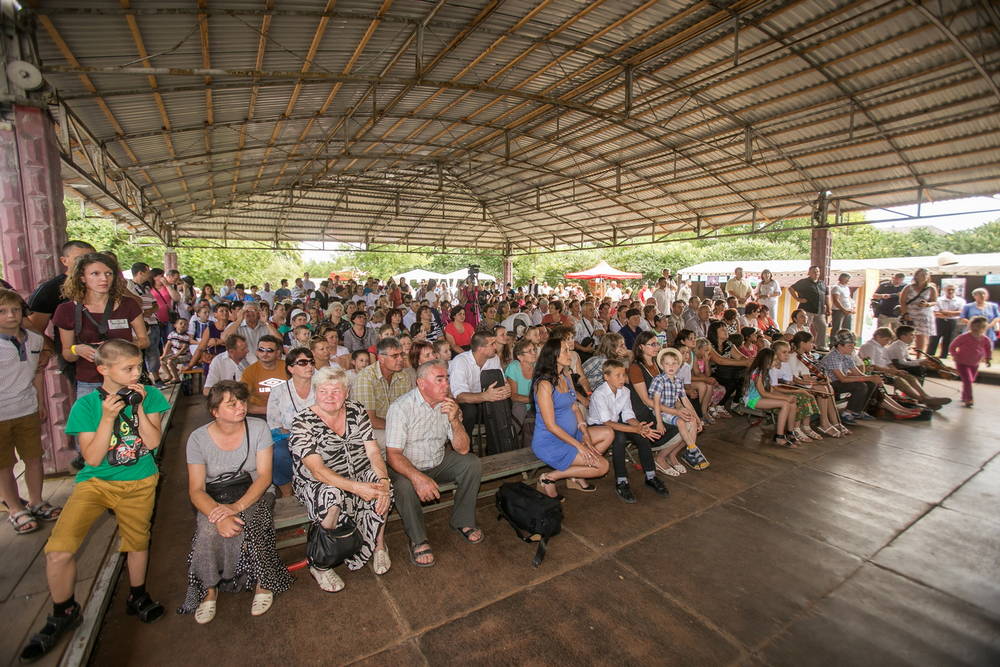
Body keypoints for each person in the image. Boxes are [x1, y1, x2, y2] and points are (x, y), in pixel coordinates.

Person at [20, 341, 168, 662]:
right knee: (58, 552)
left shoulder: (150, 396)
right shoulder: (85, 407)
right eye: (128, 369)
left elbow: (154, 442)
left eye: (138, 367)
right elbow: (93, 456)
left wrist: (139, 407)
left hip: (139, 480)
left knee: (136, 542)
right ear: (103, 370)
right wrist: (106, 417)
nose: (137, 373)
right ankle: (64, 610)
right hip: (96, 483)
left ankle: (137, 595)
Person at [180, 381, 292, 622]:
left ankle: (265, 582)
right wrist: (219, 514)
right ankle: (209, 590)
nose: (241, 407)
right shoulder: (198, 439)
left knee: (254, 521)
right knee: (207, 531)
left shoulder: (258, 428)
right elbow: (196, 490)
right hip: (216, 496)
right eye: (232, 404)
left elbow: (264, 476)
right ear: (215, 411)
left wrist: (237, 507)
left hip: (254, 490)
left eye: (242, 402)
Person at [290, 366, 392, 591]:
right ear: (315, 392)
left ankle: (379, 546)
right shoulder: (302, 422)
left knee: (382, 483)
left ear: (346, 392)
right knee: (331, 494)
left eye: (336, 391)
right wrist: (356, 488)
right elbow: (317, 471)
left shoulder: (357, 411)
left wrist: (382, 482)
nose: (330, 397)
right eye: (323, 391)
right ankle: (321, 563)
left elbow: (373, 452)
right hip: (317, 481)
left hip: (356, 473)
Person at [387, 363, 484, 570]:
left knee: (472, 464)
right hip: (407, 465)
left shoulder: (448, 405)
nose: (446, 384)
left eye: (447, 379)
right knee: (403, 486)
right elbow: (393, 455)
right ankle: (418, 539)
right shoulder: (401, 407)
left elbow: (463, 449)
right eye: (439, 379)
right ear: (421, 384)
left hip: (437, 462)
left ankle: (462, 520)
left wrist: (455, 420)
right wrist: (418, 478)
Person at [0, 289, 59, 535]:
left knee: (34, 457)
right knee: (4, 464)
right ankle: (15, 507)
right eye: (2, 311)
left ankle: (36, 500)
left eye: (15, 310)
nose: (10, 316)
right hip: (1, 412)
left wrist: (41, 403)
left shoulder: (34, 341)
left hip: (27, 407)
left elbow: (37, 373)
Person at [53, 253, 149, 398]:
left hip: (127, 380)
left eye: (108, 273)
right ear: (82, 277)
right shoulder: (67, 310)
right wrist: (77, 349)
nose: (104, 279)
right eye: (95, 274)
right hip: (90, 382)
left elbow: (144, 340)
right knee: (94, 420)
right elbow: (67, 353)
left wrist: (116, 347)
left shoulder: (128, 305)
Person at [531, 339, 614, 497]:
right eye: (565, 351)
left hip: (572, 435)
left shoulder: (565, 377)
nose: (570, 354)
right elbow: (551, 426)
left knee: (608, 433)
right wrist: (580, 446)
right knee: (603, 467)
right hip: (551, 442)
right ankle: (549, 478)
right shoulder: (544, 385)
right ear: (553, 356)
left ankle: (575, 475)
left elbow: (575, 407)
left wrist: (584, 431)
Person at [589, 358, 668, 503]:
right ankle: (621, 480)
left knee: (642, 436)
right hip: (597, 427)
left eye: (624, 375)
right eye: (617, 375)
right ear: (606, 377)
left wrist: (639, 427)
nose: (623, 378)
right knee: (619, 438)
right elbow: (607, 422)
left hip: (615, 424)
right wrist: (635, 429)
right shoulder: (599, 394)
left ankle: (651, 476)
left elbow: (627, 415)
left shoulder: (624, 391)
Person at [451, 331, 513, 455]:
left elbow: (502, 382)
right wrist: (484, 396)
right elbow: (459, 396)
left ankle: (498, 447)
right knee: (469, 411)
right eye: (492, 344)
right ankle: (466, 451)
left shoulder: (494, 359)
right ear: (480, 348)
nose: (496, 347)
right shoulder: (460, 361)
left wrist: (506, 389)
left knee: (505, 402)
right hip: (467, 403)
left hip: (487, 403)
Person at [650, 347, 709, 471]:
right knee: (681, 422)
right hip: (660, 411)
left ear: (679, 365)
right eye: (667, 363)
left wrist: (697, 418)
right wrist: (659, 422)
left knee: (691, 420)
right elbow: (655, 403)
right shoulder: (659, 380)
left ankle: (689, 451)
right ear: (662, 365)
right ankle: (693, 449)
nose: (671, 366)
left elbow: (685, 400)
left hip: (671, 411)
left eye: (674, 363)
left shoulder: (678, 381)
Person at [266, 347, 316, 495]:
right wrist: (296, 434)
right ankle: (287, 491)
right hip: (288, 436)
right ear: (290, 368)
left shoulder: (321, 386)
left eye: (311, 362)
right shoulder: (279, 391)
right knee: (279, 453)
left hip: (319, 433)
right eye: (302, 362)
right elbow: (274, 423)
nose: (309, 366)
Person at [350, 337, 416, 447]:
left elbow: (410, 409)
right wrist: (400, 427)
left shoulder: (404, 375)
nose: (400, 359)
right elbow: (369, 420)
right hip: (368, 429)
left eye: (401, 354)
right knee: (402, 441)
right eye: (395, 356)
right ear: (381, 358)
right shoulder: (365, 378)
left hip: (396, 425)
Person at [818, 332, 881, 424]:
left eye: (853, 345)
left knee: (871, 383)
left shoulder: (847, 355)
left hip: (839, 381)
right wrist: (869, 378)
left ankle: (857, 411)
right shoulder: (833, 357)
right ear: (840, 346)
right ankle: (847, 413)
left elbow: (858, 374)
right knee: (860, 386)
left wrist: (873, 378)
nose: (853, 348)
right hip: (829, 383)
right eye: (850, 346)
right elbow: (842, 379)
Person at [742, 348, 798, 447]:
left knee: (792, 403)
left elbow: (771, 390)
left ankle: (790, 432)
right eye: (775, 359)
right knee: (785, 404)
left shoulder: (766, 371)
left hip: (761, 398)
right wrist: (785, 399)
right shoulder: (757, 373)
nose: (776, 362)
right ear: (767, 361)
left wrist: (786, 396)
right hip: (753, 400)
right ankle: (779, 437)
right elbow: (763, 393)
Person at [240, 335, 288, 417]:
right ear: (257, 352)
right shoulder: (249, 371)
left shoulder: (289, 368)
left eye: (270, 350)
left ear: (278, 353)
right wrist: (271, 410)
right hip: (260, 414)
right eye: (261, 350)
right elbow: (242, 400)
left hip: (287, 412)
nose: (265, 353)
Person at [950, 316, 992, 408]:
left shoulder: (985, 339)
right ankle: (969, 399)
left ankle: (964, 395)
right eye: (973, 326)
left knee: (970, 380)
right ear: (970, 326)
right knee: (968, 380)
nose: (975, 329)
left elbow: (988, 349)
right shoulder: (964, 337)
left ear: (983, 328)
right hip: (961, 362)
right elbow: (953, 346)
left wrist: (988, 359)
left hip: (974, 363)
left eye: (978, 327)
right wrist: (955, 355)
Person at [706, 321, 750, 407]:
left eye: (726, 329)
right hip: (712, 373)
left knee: (742, 376)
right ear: (714, 333)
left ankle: (736, 403)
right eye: (722, 329)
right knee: (732, 380)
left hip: (726, 372)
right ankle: (720, 405)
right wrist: (745, 362)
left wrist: (749, 361)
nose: (726, 331)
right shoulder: (709, 344)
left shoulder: (729, 344)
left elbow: (741, 357)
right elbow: (720, 360)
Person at [788, 265, 831, 349]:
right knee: (805, 328)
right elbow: (791, 289)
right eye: (814, 271)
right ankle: (803, 346)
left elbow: (827, 296)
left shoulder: (822, 283)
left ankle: (820, 346)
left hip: (820, 310)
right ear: (809, 273)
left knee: (822, 327)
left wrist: (829, 307)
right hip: (807, 310)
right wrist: (797, 299)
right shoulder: (804, 282)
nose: (816, 273)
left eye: (817, 271)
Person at [898, 268, 937, 352]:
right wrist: (905, 313)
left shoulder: (931, 288)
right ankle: (902, 354)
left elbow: (934, 301)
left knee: (921, 337)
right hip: (910, 314)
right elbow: (902, 301)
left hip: (923, 315)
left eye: (925, 275)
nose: (923, 277)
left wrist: (927, 304)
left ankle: (919, 357)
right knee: (906, 335)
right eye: (921, 275)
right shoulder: (909, 287)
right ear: (916, 276)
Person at [928, 283, 965, 359]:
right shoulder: (938, 300)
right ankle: (929, 356)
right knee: (934, 340)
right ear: (944, 290)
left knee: (948, 340)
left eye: (953, 290)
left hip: (952, 322)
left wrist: (945, 312)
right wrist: (952, 313)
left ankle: (943, 357)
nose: (950, 291)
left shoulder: (960, 300)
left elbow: (961, 312)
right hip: (939, 321)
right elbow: (935, 313)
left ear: (956, 290)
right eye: (949, 289)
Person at [160, 317, 191, 384]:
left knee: (170, 361)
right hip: (175, 354)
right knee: (161, 360)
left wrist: (175, 356)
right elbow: (168, 345)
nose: (183, 325)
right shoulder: (172, 334)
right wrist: (164, 355)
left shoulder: (186, 337)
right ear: (175, 325)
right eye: (181, 323)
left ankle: (176, 378)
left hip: (184, 355)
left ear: (187, 327)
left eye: (185, 324)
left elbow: (183, 348)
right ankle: (169, 375)